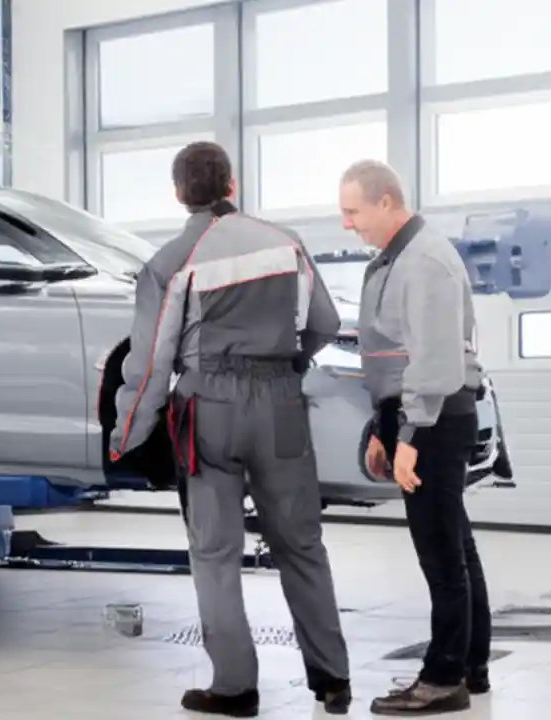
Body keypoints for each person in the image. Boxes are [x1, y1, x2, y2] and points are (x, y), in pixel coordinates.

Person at [109, 141, 351, 717]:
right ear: (232, 185)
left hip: (208, 410)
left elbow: (149, 366)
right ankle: (334, 679)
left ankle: (235, 686)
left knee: (215, 552)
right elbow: (326, 323)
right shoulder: (284, 242)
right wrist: (285, 361)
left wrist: (128, 435)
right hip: (281, 404)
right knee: (301, 545)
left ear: (178, 193)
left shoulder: (170, 261)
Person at [337, 159, 492, 716]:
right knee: (454, 542)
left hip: (433, 418)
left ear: (385, 202)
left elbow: (433, 361)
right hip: (412, 416)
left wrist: (410, 434)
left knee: (439, 552)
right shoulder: (393, 259)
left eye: (353, 211)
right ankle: (471, 663)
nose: (348, 224)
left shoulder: (424, 260)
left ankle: (443, 677)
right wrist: (385, 426)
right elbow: (390, 353)